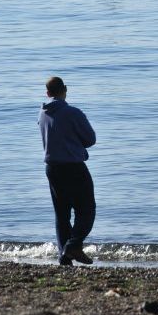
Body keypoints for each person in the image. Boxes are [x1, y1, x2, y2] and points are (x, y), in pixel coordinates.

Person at [38, 76, 96, 266]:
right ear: (65, 90)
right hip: (73, 166)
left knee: (61, 214)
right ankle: (73, 245)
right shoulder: (73, 113)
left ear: (47, 93)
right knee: (86, 210)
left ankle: (64, 256)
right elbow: (90, 139)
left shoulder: (42, 114)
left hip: (52, 168)